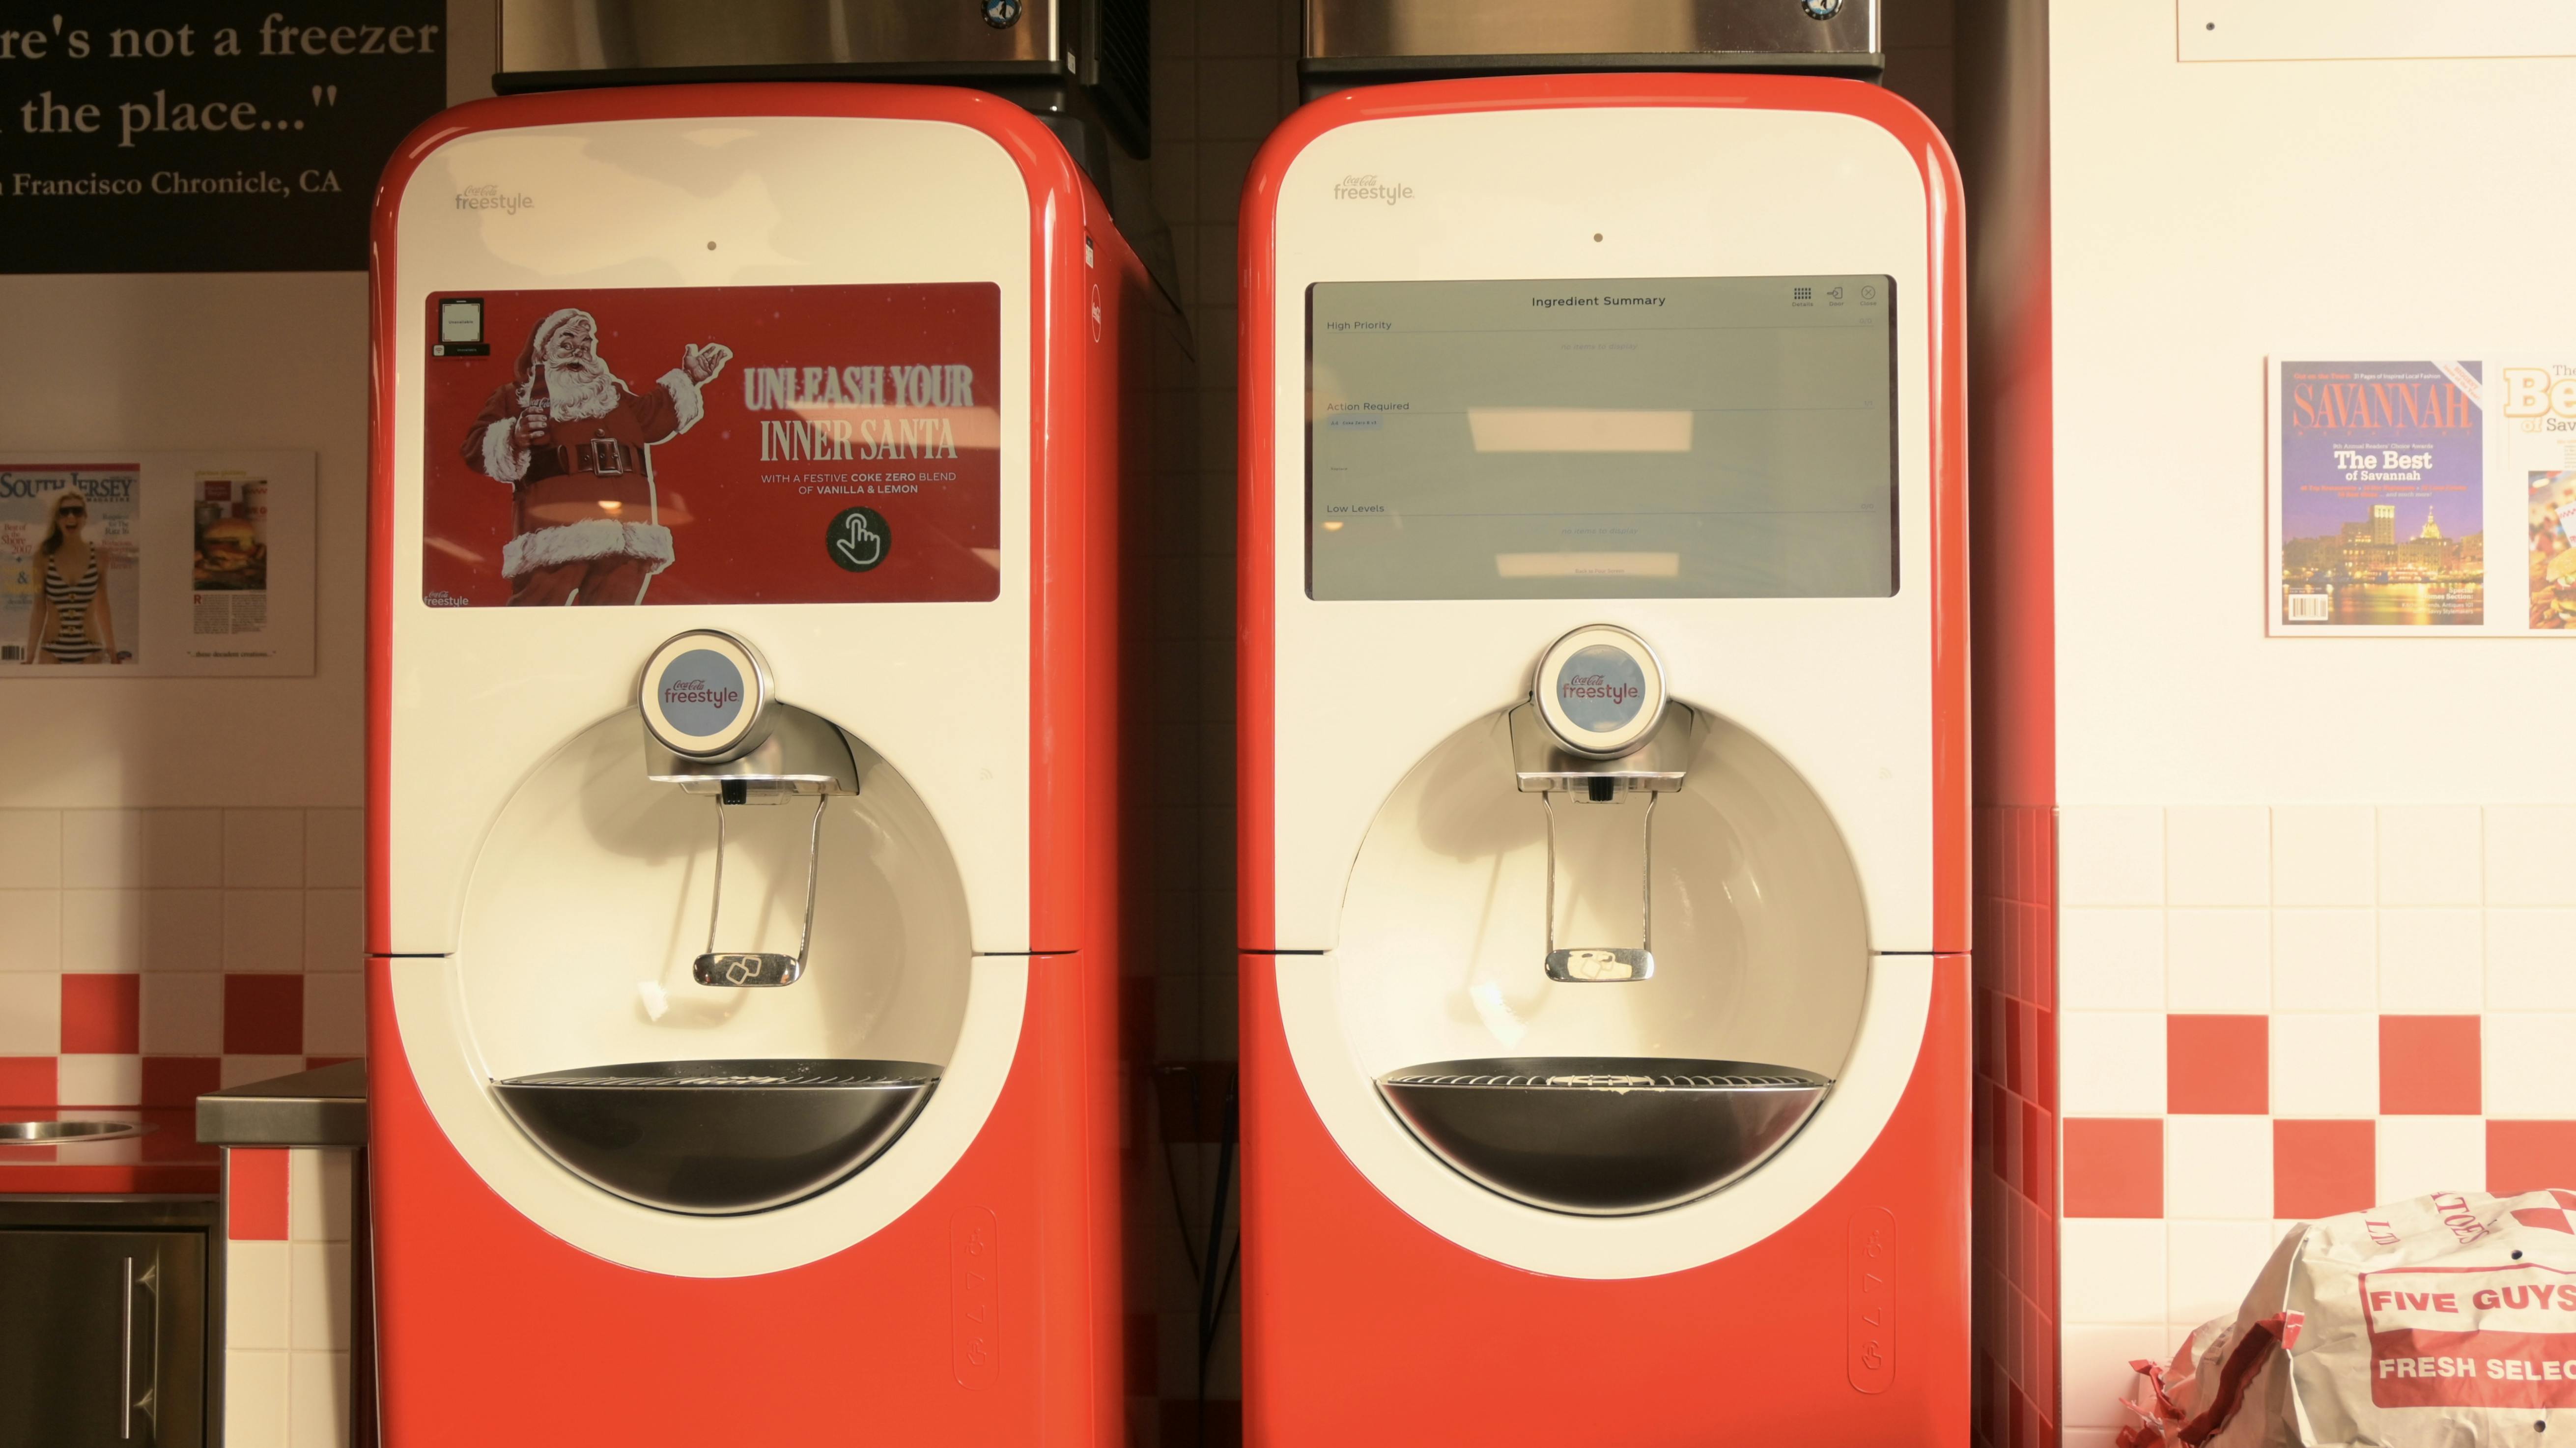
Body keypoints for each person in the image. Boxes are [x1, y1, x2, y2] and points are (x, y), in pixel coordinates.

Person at [459, 307, 733, 605]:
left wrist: (690, 377)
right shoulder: (514, 397)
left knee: (614, 624)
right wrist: (514, 435)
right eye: (567, 344)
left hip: (629, 538)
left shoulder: (613, 395)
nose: (578, 351)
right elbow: (476, 447)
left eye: (585, 344)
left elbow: (656, 417)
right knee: (536, 617)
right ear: (543, 353)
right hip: (554, 536)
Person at [22, 489, 121, 665]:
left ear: (85, 517)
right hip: (52, 651)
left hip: (91, 650)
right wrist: (29, 658)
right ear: (57, 518)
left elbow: (103, 606)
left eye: (77, 511)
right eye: (64, 512)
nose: (71, 516)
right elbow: (39, 607)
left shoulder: (100, 556)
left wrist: (114, 653)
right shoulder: (43, 557)